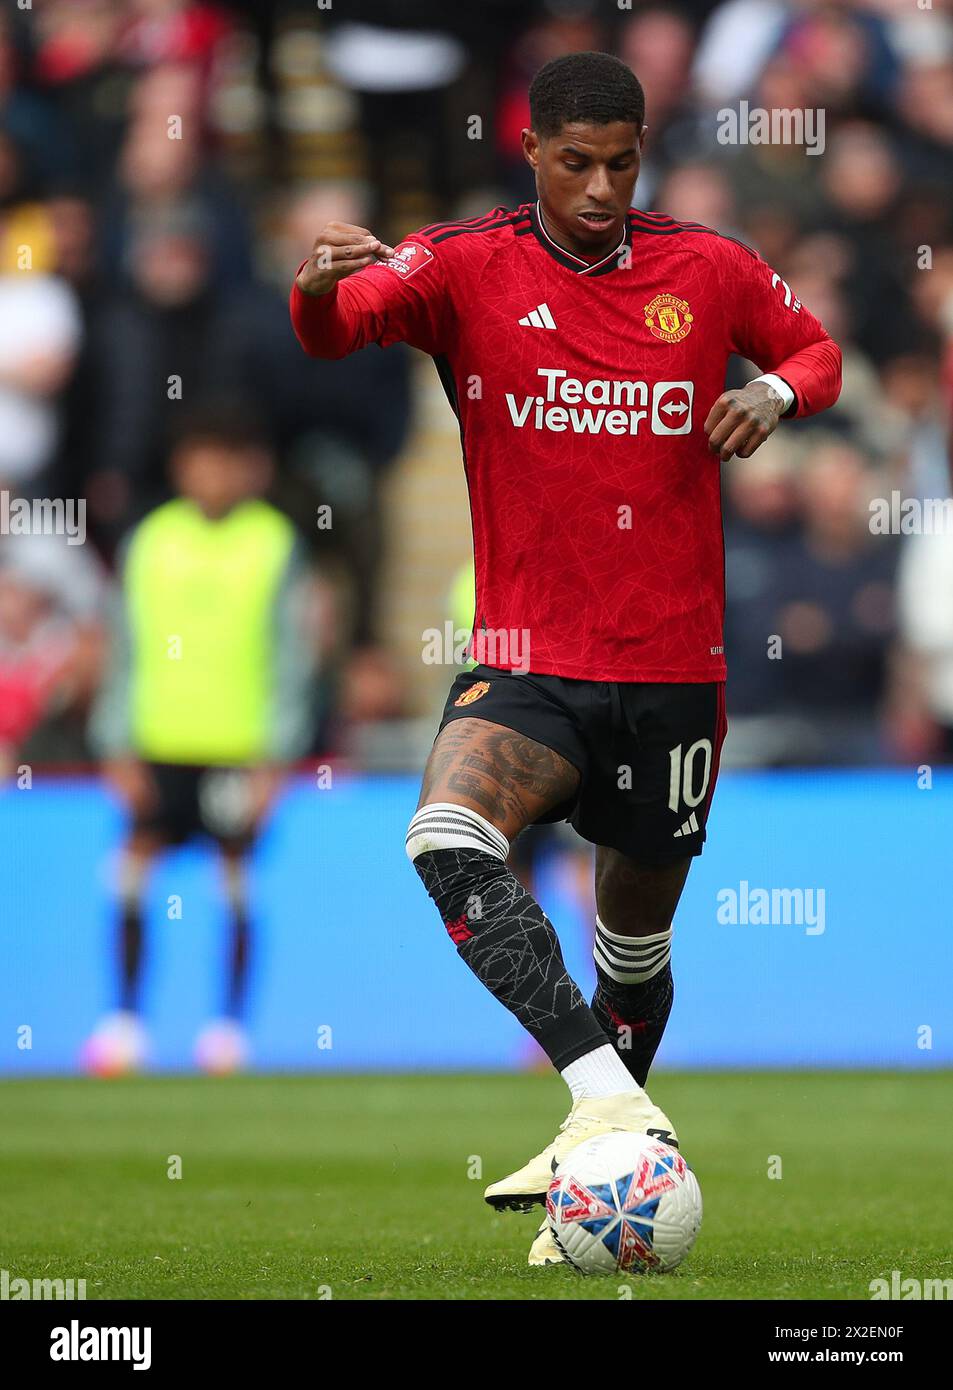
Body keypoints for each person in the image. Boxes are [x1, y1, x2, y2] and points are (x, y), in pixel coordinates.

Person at [290, 51, 841, 1266]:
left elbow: (816, 351)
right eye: (576, 163)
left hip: (672, 667)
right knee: (444, 837)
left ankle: (595, 1135)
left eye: (621, 165)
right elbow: (337, 333)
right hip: (528, 657)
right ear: (530, 150)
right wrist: (316, 289)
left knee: (632, 946)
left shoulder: (706, 267)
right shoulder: (463, 262)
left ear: (641, 155)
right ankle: (603, 1096)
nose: (599, 188)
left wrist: (774, 396)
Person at [82, 403, 315, 1076]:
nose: (213, 475)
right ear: (182, 466)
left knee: (235, 880)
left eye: (227, 461)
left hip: (238, 749)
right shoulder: (151, 540)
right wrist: (114, 743)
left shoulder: (273, 542)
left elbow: (294, 655)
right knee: (129, 872)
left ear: (251, 469)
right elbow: (121, 647)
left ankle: (228, 1031)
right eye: (201, 460)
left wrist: (278, 757)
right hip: (157, 744)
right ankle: (125, 1022)